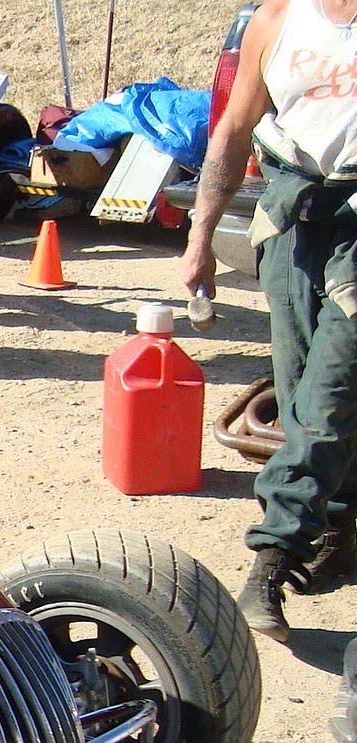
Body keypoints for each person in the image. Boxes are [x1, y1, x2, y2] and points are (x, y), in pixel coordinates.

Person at [179, 0, 357, 641]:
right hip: (292, 217)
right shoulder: (277, 19)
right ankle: (336, 527)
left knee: (331, 387)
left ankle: (272, 558)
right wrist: (201, 231)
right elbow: (232, 127)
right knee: (300, 383)